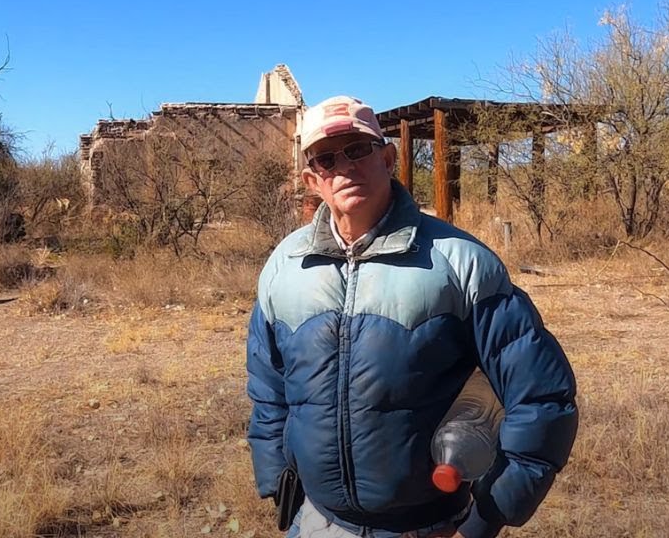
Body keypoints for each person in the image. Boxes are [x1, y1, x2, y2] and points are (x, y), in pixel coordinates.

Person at [246, 96, 578, 538]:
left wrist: (484, 520)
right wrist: (279, 484)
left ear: (387, 157)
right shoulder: (284, 267)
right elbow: (268, 392)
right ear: (312, 180)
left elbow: (542, 399)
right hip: (317, 523)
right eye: (326, 158)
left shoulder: (461, 262)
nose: (343, 166)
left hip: (431, 527)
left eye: (357, 149)